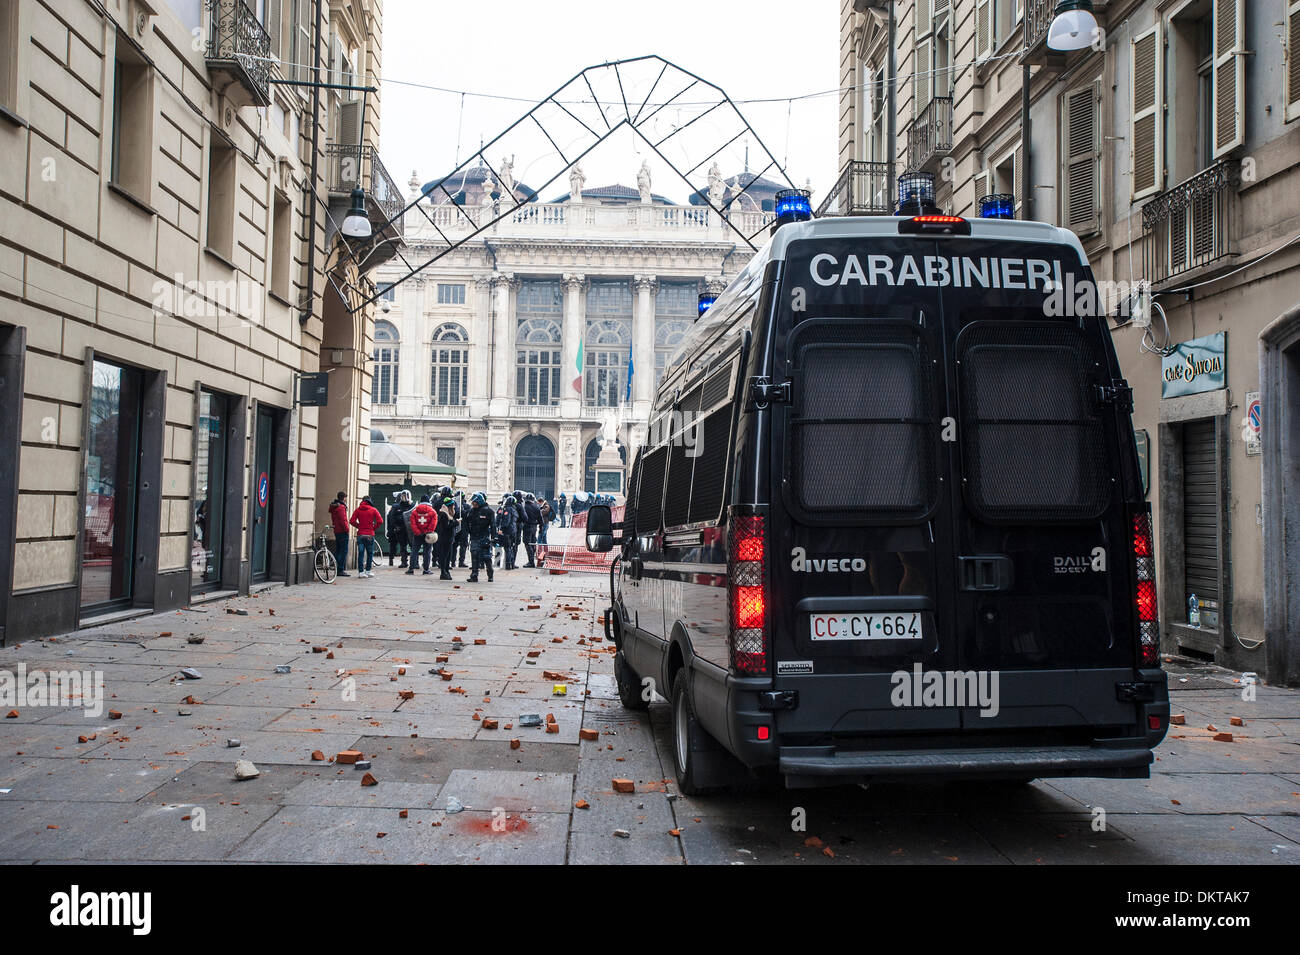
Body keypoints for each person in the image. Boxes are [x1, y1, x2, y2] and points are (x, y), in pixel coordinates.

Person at [349, 495, 383, 578]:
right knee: (370, 553)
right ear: (370, 501)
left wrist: (359, 526)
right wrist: (373, 528)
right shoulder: (373, 509)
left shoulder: (358, 510)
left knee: (360, 554)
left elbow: (352, 521)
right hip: (369, 535)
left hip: (360, 534)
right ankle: (368, 571)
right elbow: (380, 521)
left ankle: (361, 572)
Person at [465, 492, 496, 583]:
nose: (473, 504)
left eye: (474, 502)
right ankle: (474, 575)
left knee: (486, 557)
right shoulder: (472, 511)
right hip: (474, 537)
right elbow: (467, 523)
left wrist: (494, 537)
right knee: (474, 556)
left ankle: (490, 575)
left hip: (484, 537)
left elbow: (493, 525)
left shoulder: (489, 511)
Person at [406, 493, 438, 575]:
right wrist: (428, 531)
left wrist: (418, 532)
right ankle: (426, 570)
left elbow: (412, 524)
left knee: (414, 551)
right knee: (427, 552)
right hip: (428, 536)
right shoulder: (433, 511)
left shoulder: (414, 511)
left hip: (417, 535)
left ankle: (411, 569)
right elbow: (433, 523)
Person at [435, 487, 457, 580]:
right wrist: (456, 522)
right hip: (446, 535)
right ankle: (444, 571)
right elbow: (447, 524)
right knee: (446, 554)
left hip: (439, 533)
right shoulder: (445, 512)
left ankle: (445, 571)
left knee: (442, 553)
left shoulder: (436, 503)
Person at [328, 491, 351, 577]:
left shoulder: (335, 506)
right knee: (343, 551)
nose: (346, 499)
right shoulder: (341, 507)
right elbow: (343, 520)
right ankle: (340, 569)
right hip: (342, 531)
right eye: (346, 498)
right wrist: (347, 529)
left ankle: (336, 567)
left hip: (337, 530)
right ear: (344, 498)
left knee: (338, 550)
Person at [386, 490, 411, 567]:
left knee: (410, 546)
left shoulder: (411, 505)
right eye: (403, 496)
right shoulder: (396, 507)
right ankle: (402, 561)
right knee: (401, 546)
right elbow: (391, 518)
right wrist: (395, 527)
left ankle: (413, 562)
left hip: (409, 529)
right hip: (399, 529)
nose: (404, 498)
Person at [494, 495, 518, 570]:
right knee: (509, 548)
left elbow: (505, 521)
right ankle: (509, 564)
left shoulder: (506, 509)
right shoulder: (514, 510)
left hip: (506, 531)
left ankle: (498, 563)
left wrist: (501, 529)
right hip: (512, 531)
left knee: (500, 547)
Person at [522, 492, 541, 568]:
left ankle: (531, 562)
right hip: (534, 527)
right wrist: (541, 527)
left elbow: (522, 517)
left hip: (527, 527)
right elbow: (540, 519)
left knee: (527, 544)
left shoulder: (524, 507)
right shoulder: (536, 507)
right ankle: (532, 560)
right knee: (533, 543)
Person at [454, 491, 470, 567]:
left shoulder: (464, 506)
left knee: (456, 545)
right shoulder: (455, 506)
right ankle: (459, 562)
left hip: (459, 528)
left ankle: (454, 561)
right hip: (460, 528)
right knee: (460, 546)